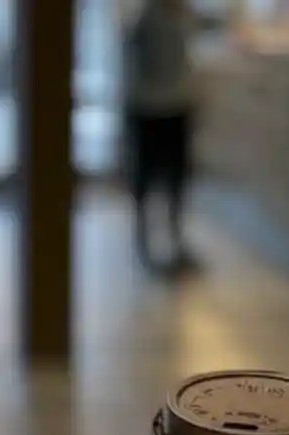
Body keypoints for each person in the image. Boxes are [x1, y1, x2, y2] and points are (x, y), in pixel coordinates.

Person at [123, 0, 197, 274]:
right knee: (146, 180)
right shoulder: (147, 16)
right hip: (149, 109)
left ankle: (176, 243)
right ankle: (144, 245)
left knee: (176, 180)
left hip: (176, 106)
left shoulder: (182, 14)